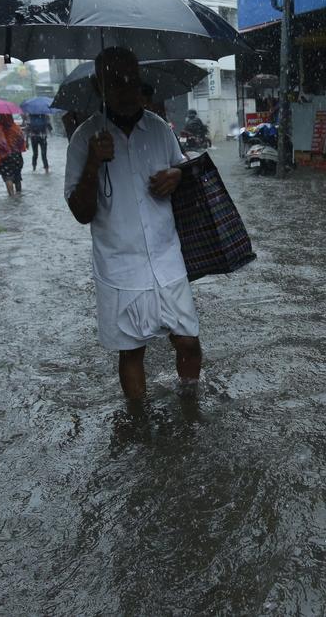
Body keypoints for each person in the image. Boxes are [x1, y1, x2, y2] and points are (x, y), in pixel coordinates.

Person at [64, 46, 202, 402]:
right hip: (119, 265)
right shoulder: (84, 139)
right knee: (132, 350)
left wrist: (177, 175)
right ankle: (138, 420)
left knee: (188, 340)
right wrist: (94, 163)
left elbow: (184, 169)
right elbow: (81, 213)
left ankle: (190, 405)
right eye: (116, 82)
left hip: (167, 257)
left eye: (133, 80)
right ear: (99, 85)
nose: (127, 89)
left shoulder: (159, 130)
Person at [0, 113, 26, 197]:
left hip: (4, 157)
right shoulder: (16, 128)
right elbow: (22, 142)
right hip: (16, 156)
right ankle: (19, 196)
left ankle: (12, 197)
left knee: (7, 177)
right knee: (17, 177)